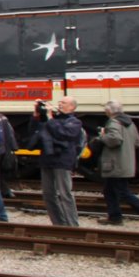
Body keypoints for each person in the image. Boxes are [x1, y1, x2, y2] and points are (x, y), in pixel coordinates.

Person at [99, 100, 139, 229]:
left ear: (109, 111)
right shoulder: (130, 123)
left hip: (115, 163)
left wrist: (102, 136)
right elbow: (137, 143)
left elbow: (115, 140)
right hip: (126, 162)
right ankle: (114, 217)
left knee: (121, 192)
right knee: (110, 190)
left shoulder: (113, 122)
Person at [29, 97, 84, 226]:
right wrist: (36, 116)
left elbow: (62, 134)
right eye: (60, 102)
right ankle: (58, 224)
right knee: (48, 194)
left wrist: (50, 118)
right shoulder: (52, 119)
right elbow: (33, 132)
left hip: (63, 161)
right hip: (47, 159)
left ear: (72, 107)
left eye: (63, 103)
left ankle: (72, 225)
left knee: (65, 194)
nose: (60, 104)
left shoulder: (75, 122)